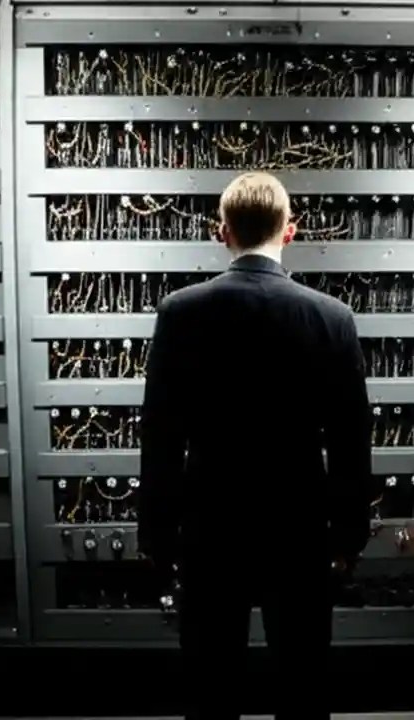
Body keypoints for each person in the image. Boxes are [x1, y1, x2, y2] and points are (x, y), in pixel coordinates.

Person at [137, 171, 374, 719]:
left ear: (222, 232)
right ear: (289, 232)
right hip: (300, 525)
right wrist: (350, 533)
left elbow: (162, 431)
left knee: (211, 687)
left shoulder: (180, 312)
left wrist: (157, 532)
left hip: (210, 523)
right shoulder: (332, 317)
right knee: (302, 683)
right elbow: (349, 435)